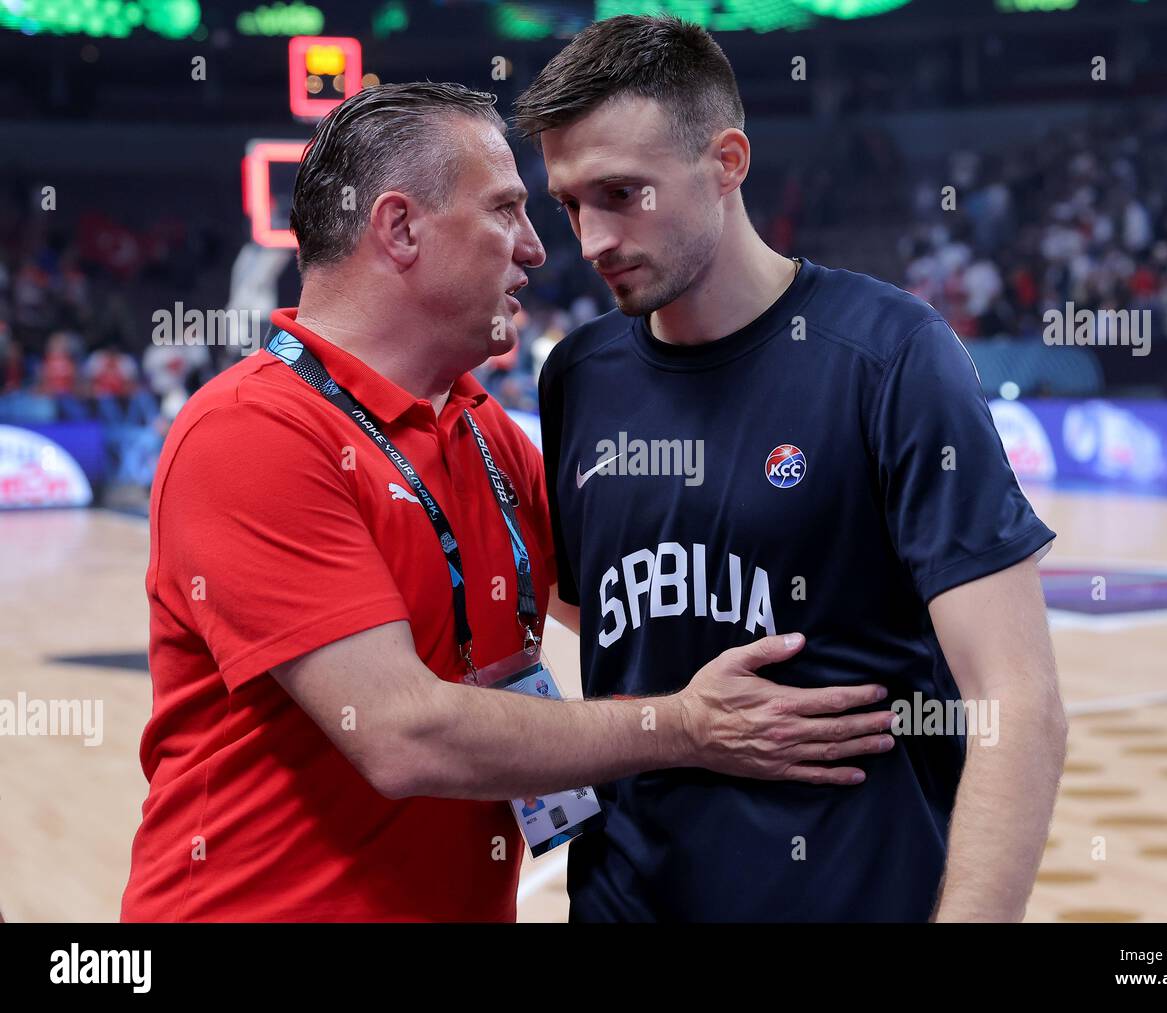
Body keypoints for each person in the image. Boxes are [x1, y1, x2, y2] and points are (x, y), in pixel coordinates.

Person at [120, 81, 894, 922]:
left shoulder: (482, 429)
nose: (535, 248)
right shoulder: (252, 432)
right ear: (401, 228)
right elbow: (401, 733)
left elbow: (635, 597)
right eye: (505, 210)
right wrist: (687, 726)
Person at [516, 16, 1068, 922]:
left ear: (727, 161)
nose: (593, 238)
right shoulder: (578, 374)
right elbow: (599, 614)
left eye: (623, 193)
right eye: (571, 204)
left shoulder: (891, 354)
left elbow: (1020, 703)